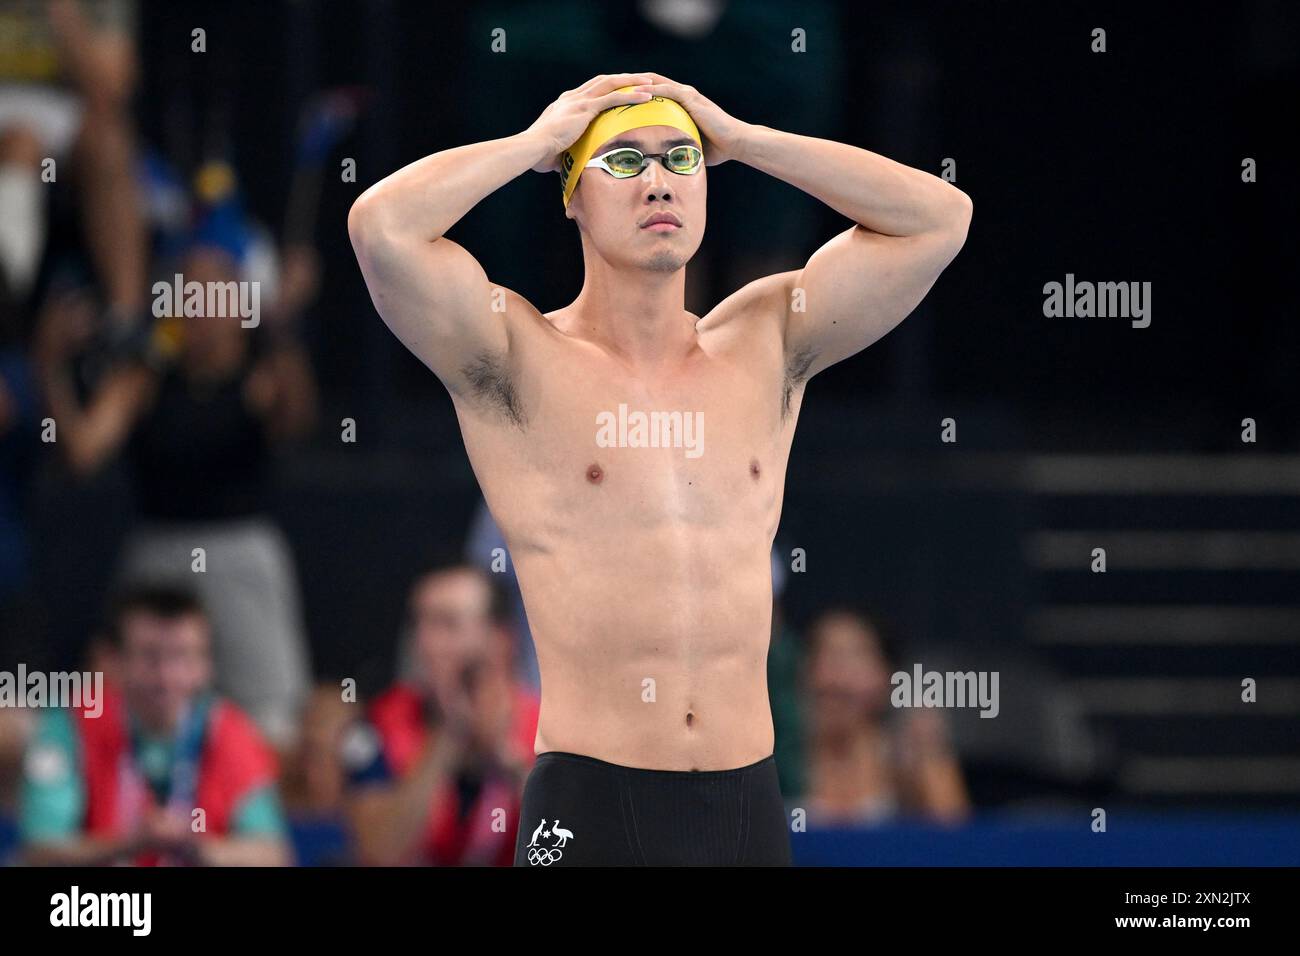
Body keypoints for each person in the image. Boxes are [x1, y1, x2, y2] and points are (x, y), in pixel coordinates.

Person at [348, 71, 971, 865]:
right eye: (621, 162)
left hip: (747, 802)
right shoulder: (516, 354)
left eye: (681, 159)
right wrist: (536, 142)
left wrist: (743, 140)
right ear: (571, 194)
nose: (656, 182)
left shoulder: (766, 340)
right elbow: (380, 228)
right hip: (596, 798)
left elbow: (940, 219)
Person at [19, 584, 292, 866]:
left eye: (181, 656)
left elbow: (273, 855)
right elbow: (40, 852)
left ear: (205, 665)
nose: (165, 676)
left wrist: (196, 849)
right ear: (115, 661)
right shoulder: (70, 721)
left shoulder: (230, 731)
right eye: (150, 656)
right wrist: (132, 844)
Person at [342, 563, 539, 866]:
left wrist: (506, 760)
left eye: (447, 624)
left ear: (500, 641)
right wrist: (445, 739)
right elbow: (379, 852)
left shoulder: (548, 726)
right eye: (419, 624)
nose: (426, 643)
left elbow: (579, 844)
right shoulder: (377, 724)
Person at [798, 606, 970, 826]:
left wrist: (931, 754)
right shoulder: (778, 758)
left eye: (854, 657)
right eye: (824, 654)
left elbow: (958, 842)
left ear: (885, 676)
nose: (837, 677)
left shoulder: (906, 761)